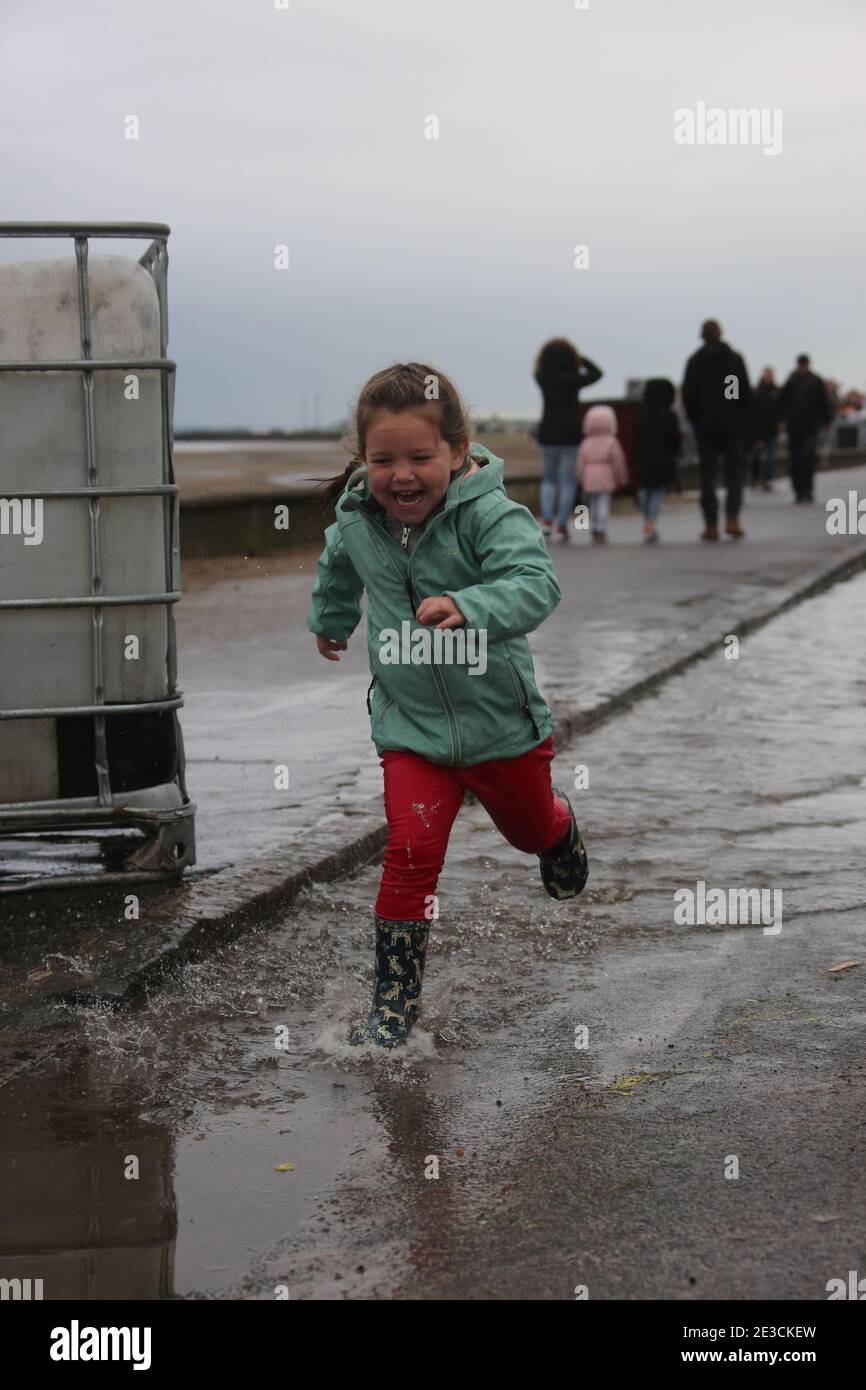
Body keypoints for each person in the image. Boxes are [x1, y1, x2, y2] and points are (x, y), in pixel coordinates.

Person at [308, 362, 589, 1049]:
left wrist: (470, 605)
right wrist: (332, 618)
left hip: (501, 728)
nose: (401, 475)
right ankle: (395, 1000)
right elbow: (338, 566)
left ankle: (556, 830)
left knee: (523, 831)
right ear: (364, 460)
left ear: (458, 454)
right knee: (408, 852)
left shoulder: (490, 514)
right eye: (383, 460)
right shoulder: (358, 519)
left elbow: (536, 583)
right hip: (413, 732)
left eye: (420, 458)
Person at [681, 319, 752, 540]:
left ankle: (711, 523)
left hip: (706, 427)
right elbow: (739, 391)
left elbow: (689, 396)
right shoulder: (733, 359)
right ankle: (732, 518)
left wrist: (699, 418)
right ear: (721, 333)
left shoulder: (695, 361)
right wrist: (734, 411)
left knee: (707, 476)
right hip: (731, 424)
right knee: (734, 474)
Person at [533, 337, 603, 542]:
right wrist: (580, 360)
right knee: (568, 481)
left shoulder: (542, 376)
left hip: (548, 431)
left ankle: (546, 521)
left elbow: (539, 369)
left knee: (548, 479)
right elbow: (597, 373)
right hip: (571, 433)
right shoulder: (574, 378)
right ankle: (562, 524)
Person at [630, 379, 682, 542]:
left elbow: (635, 439)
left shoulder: (640, 414)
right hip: (663, 459)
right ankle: (650, 522)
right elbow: (675, 440)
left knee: (645, 493)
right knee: (657, 493)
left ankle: (647, 520)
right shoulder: (670, 415)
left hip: (643, 459)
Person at [782, 354, 833, 503]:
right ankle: (799, 490)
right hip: (795, 425)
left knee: (808, 457)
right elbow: (783, 402)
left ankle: (807, 490)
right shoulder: (792, 381)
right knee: (797, 459)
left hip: (810, 425)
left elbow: (823, 401)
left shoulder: (815, 380)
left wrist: (826, 420)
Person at [577, 404, 628, 543]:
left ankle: (594, 525)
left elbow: (580, 462)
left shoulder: (586, 442)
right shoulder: (612, 441)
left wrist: (580, 477)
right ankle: (601, 526)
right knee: (604, 502)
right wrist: (621, 478)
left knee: (592, 503)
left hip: (590, 476)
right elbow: (618, 461)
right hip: (606, 476)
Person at [750, 367, 782, 491]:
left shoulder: (777, 392)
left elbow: (781, 408)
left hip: (772, 430)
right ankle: (754, 478)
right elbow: (753, 412)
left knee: (770, 458)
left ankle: (767, 480)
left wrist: (780, 422)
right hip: (758, 430)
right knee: (755, 458)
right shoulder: (757, 392)